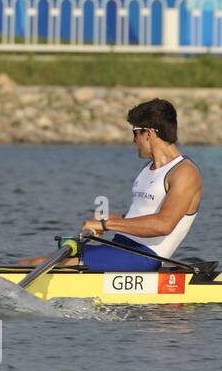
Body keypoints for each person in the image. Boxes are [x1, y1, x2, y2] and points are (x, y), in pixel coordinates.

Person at [74, 98, 201, 271]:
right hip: (121, 247)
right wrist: (108, 219)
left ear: (148, 133)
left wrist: (106, 225)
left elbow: (164, 225)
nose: (134, 140)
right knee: (44, 260)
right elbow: (143, 215)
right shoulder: (148, 168)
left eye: (135, 133)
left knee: (60, 265)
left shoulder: (184, 172)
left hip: (143, 256)